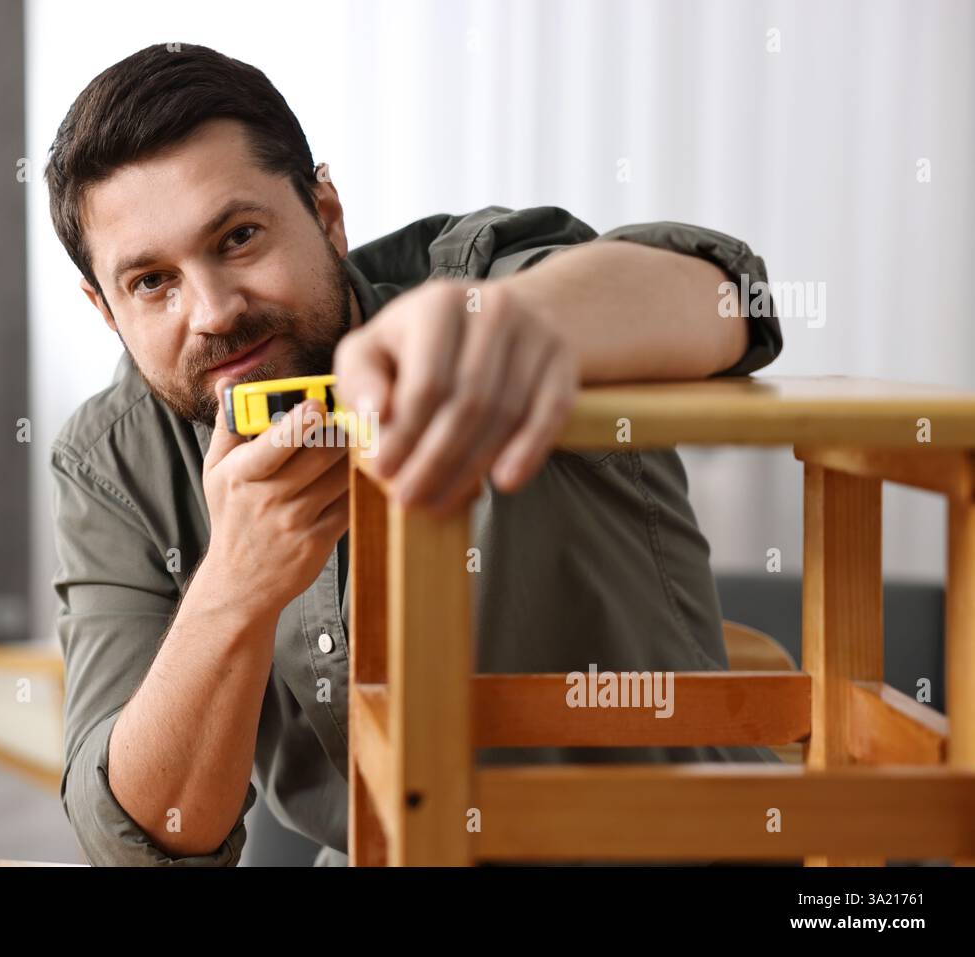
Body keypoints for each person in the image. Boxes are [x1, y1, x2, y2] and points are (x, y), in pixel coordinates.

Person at [43, 43, 782, 866]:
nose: (213, 312)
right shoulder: (110, 462)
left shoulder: (475, 277)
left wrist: (510, 328)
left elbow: (727, 299)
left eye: (240, 236)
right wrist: (233, 590)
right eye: (152, 283)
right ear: (105, 309)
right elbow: (143, 843)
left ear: (326, 213)